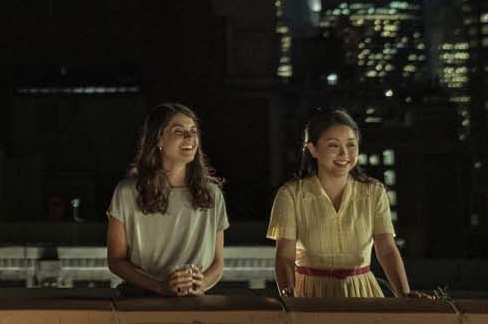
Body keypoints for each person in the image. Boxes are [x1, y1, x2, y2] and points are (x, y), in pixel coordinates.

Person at [266, 108, 424, 298]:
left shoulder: (374, 192)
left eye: (351, 145)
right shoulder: (291, 195)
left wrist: (404, 295)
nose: (344, 154)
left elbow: (387, 249)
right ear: (313, 149)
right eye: (333, 146)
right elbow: (284, 256)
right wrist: (288, 294)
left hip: (363, 294)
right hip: (310, 295)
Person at [105, 102, 228, 296]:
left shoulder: (212, 195)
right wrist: (160, 286)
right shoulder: (126, 193)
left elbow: (217, 263)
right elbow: (116, 261)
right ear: (158, 139)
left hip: (194, 305)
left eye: (194, 131)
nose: (190, 137)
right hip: (139, 302)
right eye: (179, 131)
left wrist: (201, 284)